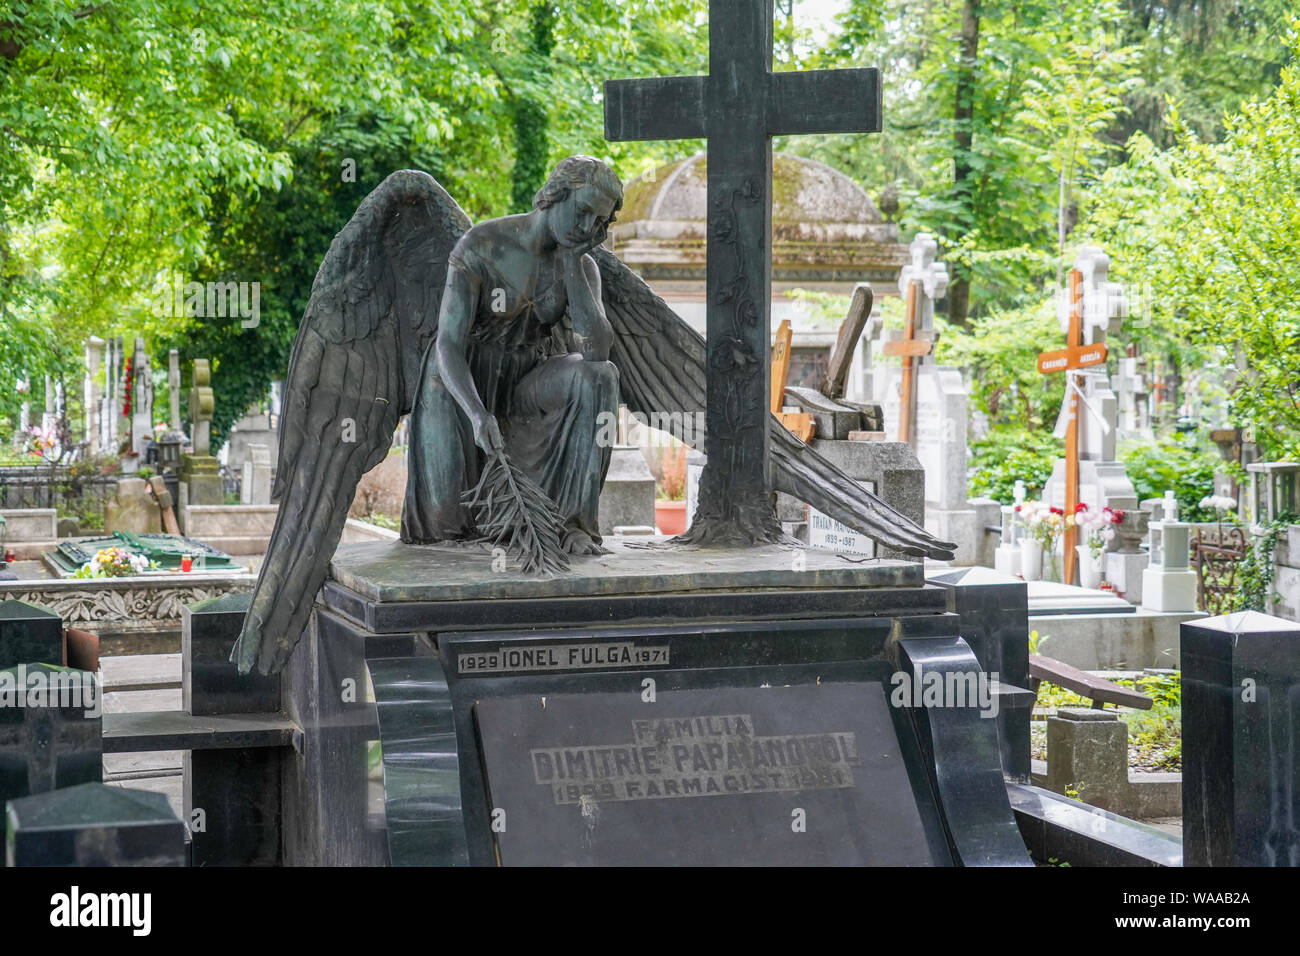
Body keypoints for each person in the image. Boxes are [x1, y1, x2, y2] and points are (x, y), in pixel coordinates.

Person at [402, 155, 623, 555]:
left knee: (600, 376)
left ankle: (576, 525)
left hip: (526, 382)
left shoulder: (583, 267)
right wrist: (476, 413)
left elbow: (596, 351)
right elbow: (448, 344)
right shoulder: (483, 244)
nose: (587, 226)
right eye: (583, 211)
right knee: (447, 528)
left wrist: (573, 261)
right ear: (555, 195)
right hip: (460, 382)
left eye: (598, 222)